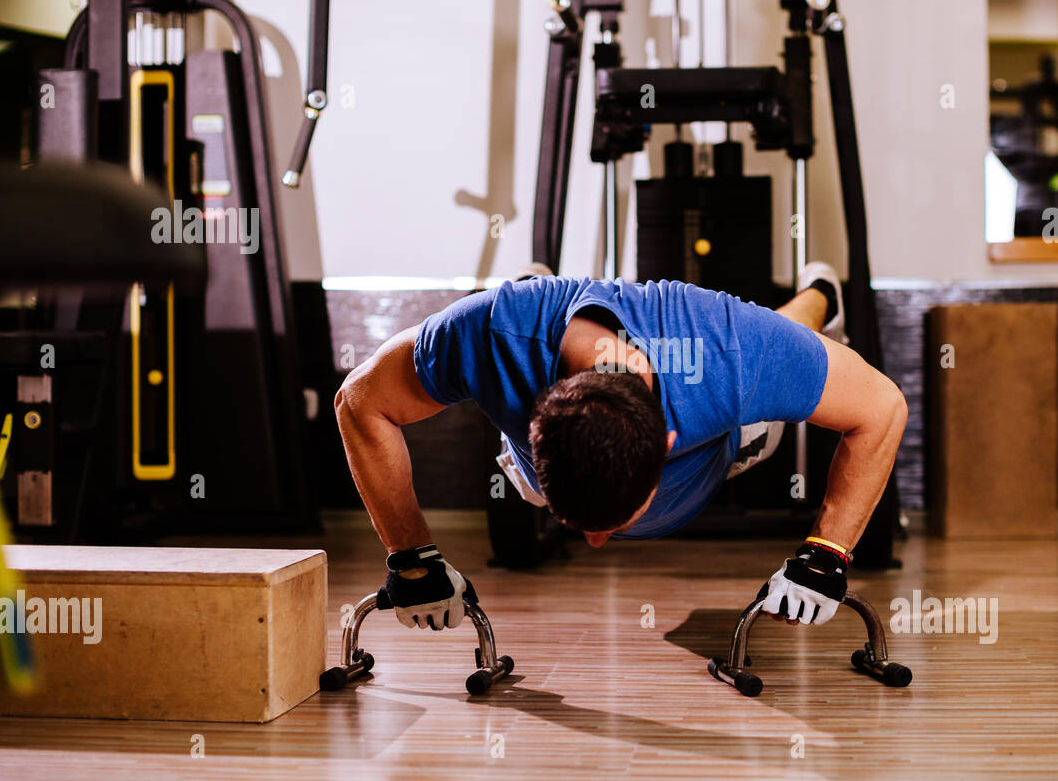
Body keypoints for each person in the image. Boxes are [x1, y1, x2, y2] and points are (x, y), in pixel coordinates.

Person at [333, 262, 907, 633]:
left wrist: (827, 553)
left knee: (793, 330)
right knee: (512, 302)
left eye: (608, 524)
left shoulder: (733, 351)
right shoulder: (490, 334)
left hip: (729, 442)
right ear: (537, 424)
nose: (595, 542)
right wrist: (411, 557)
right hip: (527, 343)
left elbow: (883, 407)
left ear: (666, 443)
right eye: (584, 523)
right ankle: (532, 276)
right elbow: (358, 400)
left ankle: (820, 293)